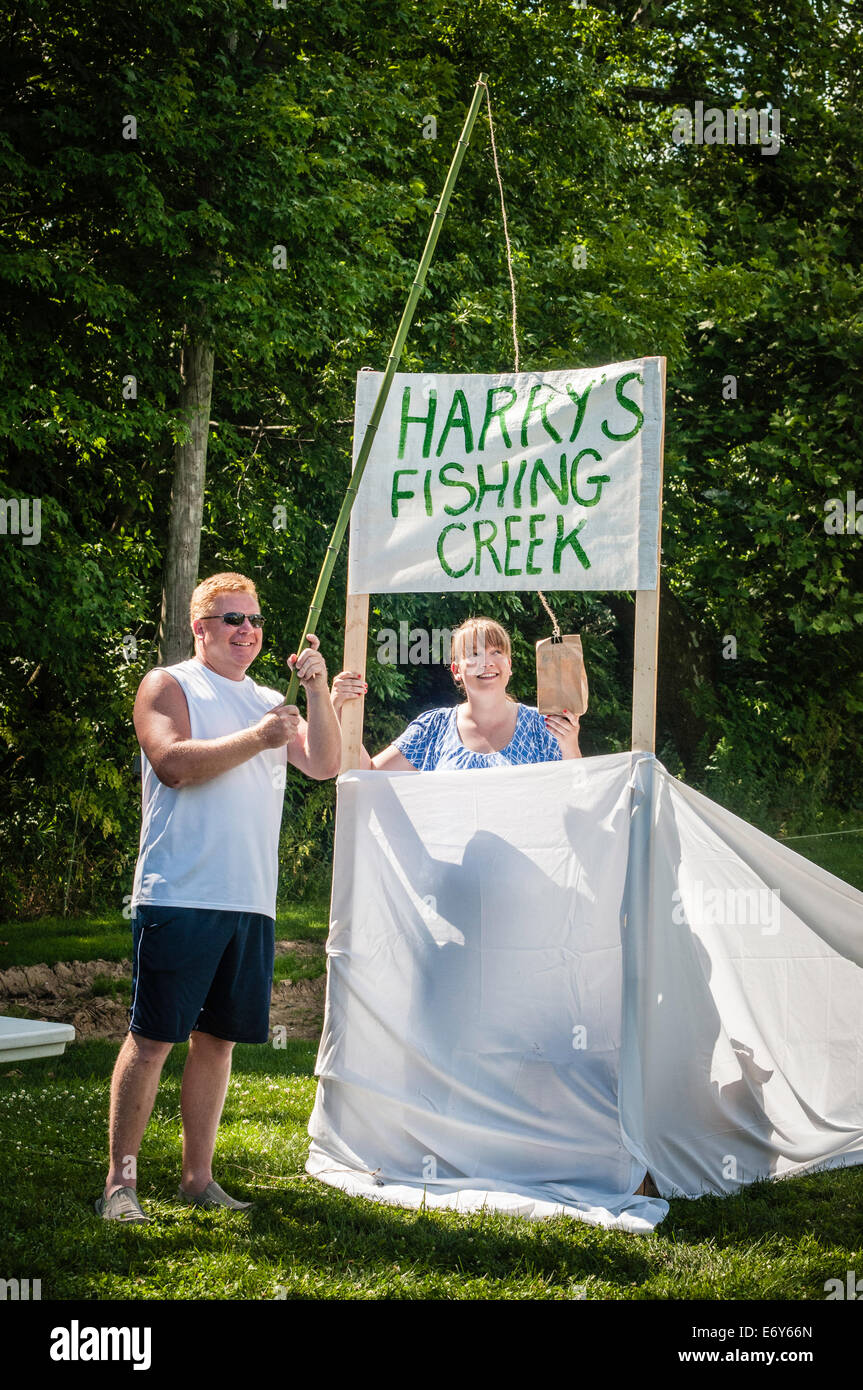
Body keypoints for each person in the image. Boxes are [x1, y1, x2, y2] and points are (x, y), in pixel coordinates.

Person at [97, 572, 341, 1222]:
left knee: (217, 1042)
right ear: (199, 626)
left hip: (249, 900)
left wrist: (317, 691)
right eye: (232, 618)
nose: (247, 630)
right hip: (180, 892)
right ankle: (119, 1185)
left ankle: (196, 1179)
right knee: (152, 1040)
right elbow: (172, 763)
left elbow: (324, 763)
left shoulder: (271, 696)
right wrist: (258, 738)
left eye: (255, 620)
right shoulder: (170, 684)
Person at [332, 615, 581, 769]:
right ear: (456, 671)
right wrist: (340, 710)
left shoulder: (545, 724)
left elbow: (579, 791)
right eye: (474, 654)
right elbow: (369, 775)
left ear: (509, 665)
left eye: (496, 652)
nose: (487, 663)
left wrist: (569, 744)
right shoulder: (433, 728)